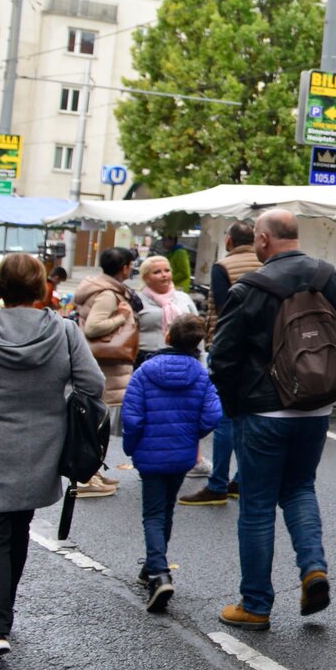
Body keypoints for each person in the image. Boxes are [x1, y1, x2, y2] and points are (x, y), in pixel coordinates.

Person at [0, 252, 104, 665]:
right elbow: (93, 383)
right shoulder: (63, 331)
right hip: (41, 448)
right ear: (40, 285)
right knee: (18, 527)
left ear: (0, 287)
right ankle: (1, 618)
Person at [208, 209, 336, 630]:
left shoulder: (250, 289)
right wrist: (329, 387)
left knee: (257, 507)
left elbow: (222, 359)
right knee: (299, 489)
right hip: (316, 410)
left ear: (262, 239)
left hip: (262, 411)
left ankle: (255, 604)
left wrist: (234, 404)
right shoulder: (332, 279)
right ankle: (313, 568)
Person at [122, 314, 221, 613]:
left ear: (167, 337)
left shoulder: (145, 371)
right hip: (181, 454)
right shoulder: (200, 374)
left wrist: (132, 447)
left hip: (150, 453)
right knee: (166, 509)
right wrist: (193, 435)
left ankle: (158, 573)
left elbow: (132, 417)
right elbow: (213, 415)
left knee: (152, 513)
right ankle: (152, 564)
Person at [185, 222, 259, 507]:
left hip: (229, 348)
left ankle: (217, 483)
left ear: (229, 241)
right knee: (249, 415)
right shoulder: (267, 265)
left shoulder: (223, 266)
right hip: (260, 348)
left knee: (225, 417)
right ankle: (241, 479)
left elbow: (226, 310)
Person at [71, 247, 141, 497]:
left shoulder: (103, 288)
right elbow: (93, 328)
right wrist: (121, 318)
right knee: (94, 424)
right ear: (124, 267)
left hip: (102, 366)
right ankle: (85, 477)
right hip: (106, 367)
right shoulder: (108, 294)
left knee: (94, 423)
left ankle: (92, 472)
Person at [135, 254, 198, 363]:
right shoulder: (137, 300)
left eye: (167, 271)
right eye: (157, 272)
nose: (164, 275)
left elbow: (197, 329)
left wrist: (201, 359)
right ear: (146, 278)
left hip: (183, 357)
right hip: (146, 357)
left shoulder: (183, 298)